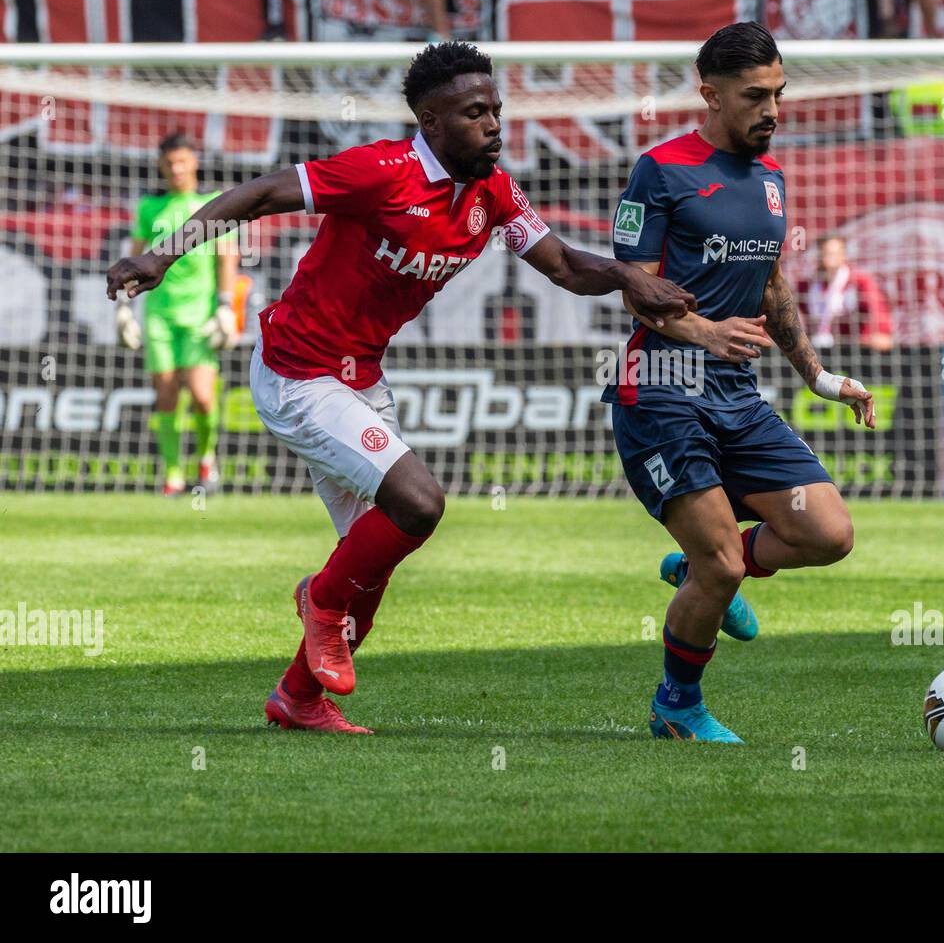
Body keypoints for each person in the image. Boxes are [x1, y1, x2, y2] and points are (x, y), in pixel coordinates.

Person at [106, 42, 695, 734]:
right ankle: (319, 599)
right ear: (431, 121)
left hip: (360, 377)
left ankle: (298, 697)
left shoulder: (494, 192)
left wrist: (627, 276)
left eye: (496, 110)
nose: (493, 125)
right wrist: (162, 257)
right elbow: (260, 195)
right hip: (297, 370)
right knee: (419, 503)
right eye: (475, 113)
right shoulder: (379, 171)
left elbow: (564, 265)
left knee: (371, 573)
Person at [605, 22, 873, 743]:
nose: (772, 109)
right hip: (659, 390)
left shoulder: (772, 180)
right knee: (720, 566)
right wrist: (704, 332)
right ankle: (676, 707)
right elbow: (635, 288)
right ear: (711, 95)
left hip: (736, 395)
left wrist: (820, 377)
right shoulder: (661, 170)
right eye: (756, 95)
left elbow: (773, 285)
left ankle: (696, 569)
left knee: (828, 533)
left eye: (778, 93)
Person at [116, 135, 240, 497]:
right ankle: (172, 475)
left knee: (202, 395)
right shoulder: (150, 207)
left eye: (182, 161)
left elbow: (226, 257)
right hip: (159, 315)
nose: (176, 169)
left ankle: (206, 459)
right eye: (170, 163)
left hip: (200, 312)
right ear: (161, 166)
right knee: (167, 392)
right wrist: (123, 308)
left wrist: (226, 306)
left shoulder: (210, 204)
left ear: (194, 162)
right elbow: (133, 259)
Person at [796, 235, 893, 350]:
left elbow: (877, 309)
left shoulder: (859, 282)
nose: (830, 257)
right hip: (818, 346)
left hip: (853, 346)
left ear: (844, 255)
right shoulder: (807, 286)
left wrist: (880, 333)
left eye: (835, 253)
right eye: (825, 252)